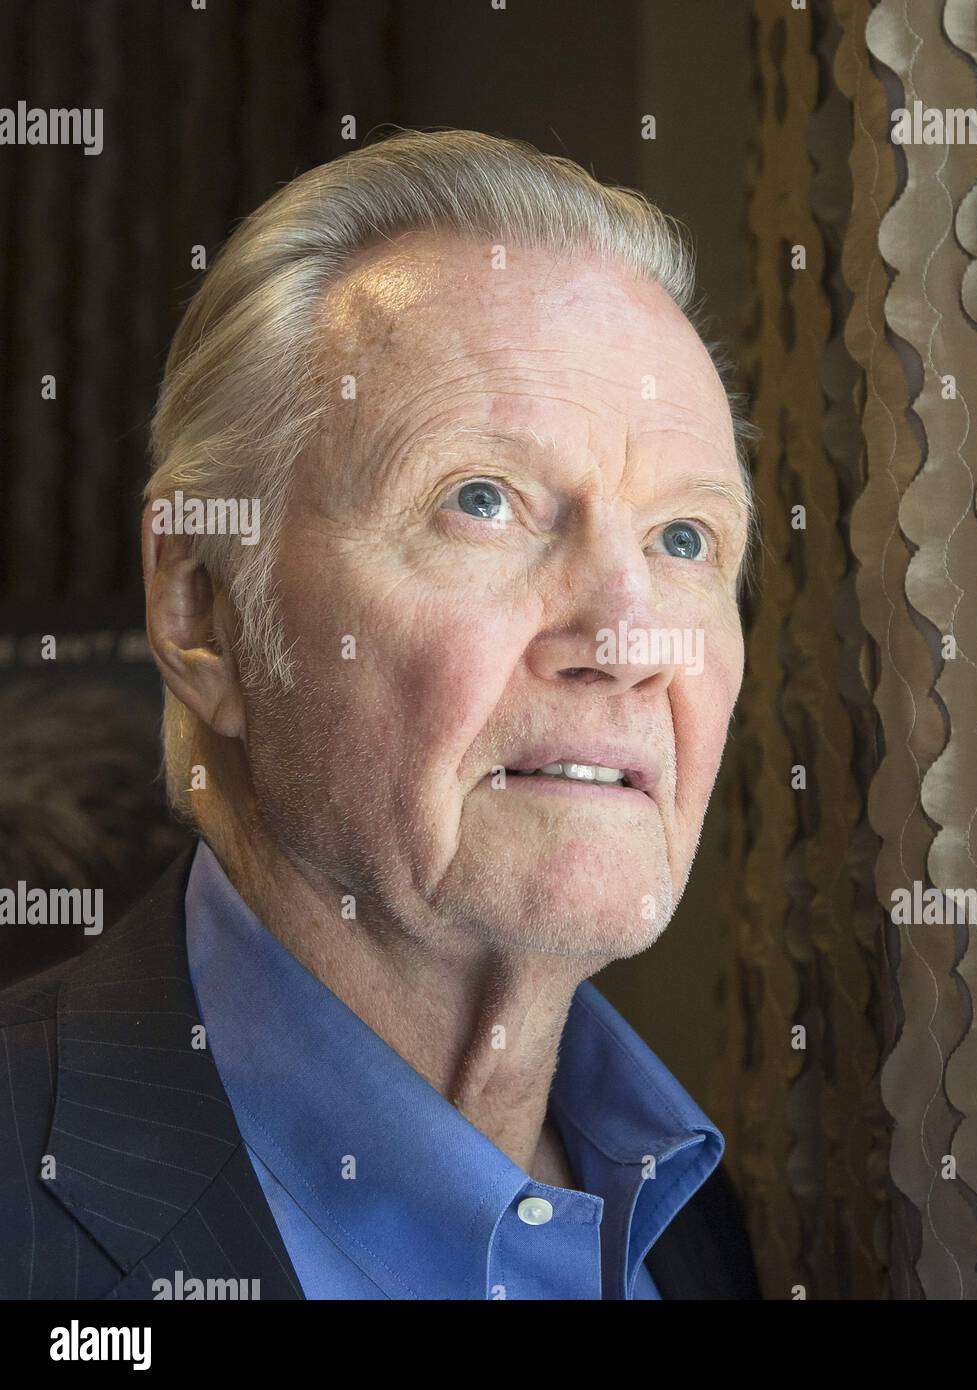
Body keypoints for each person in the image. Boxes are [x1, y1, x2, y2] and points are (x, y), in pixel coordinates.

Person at [0, 129, 761, 1299]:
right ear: (201, 606)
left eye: (682, 537)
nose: (627, 642)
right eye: (482, 500)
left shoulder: (688, 1210)